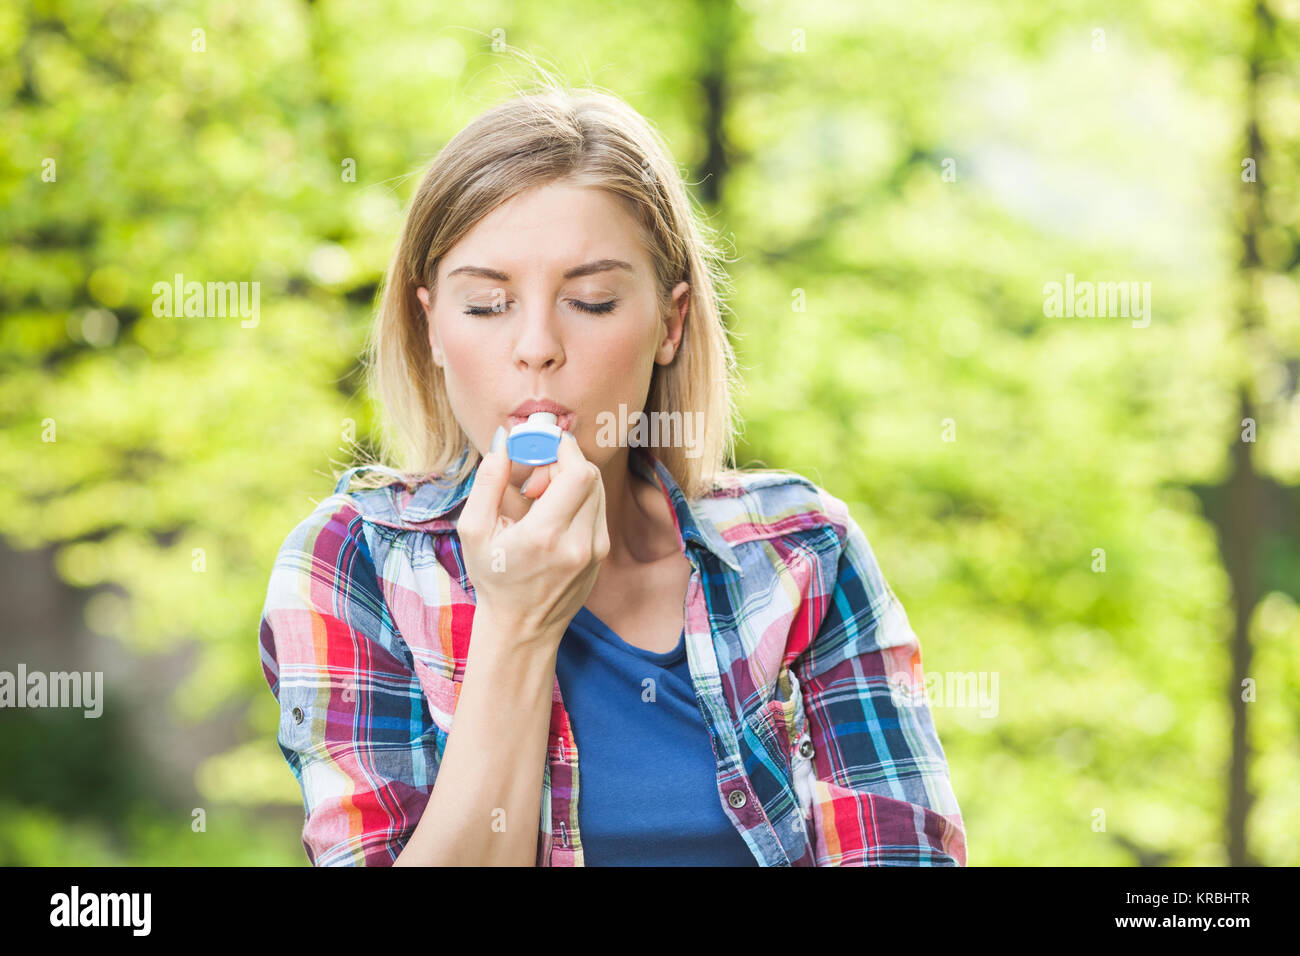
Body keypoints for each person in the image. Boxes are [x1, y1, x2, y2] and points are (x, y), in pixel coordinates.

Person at [258, 83, 967, 866]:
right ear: (429, 325)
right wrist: (518, 628)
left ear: (668, 323)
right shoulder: (350, 562)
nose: (536, 347)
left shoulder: (803, 552)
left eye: (591, 301)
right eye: (487, 306)